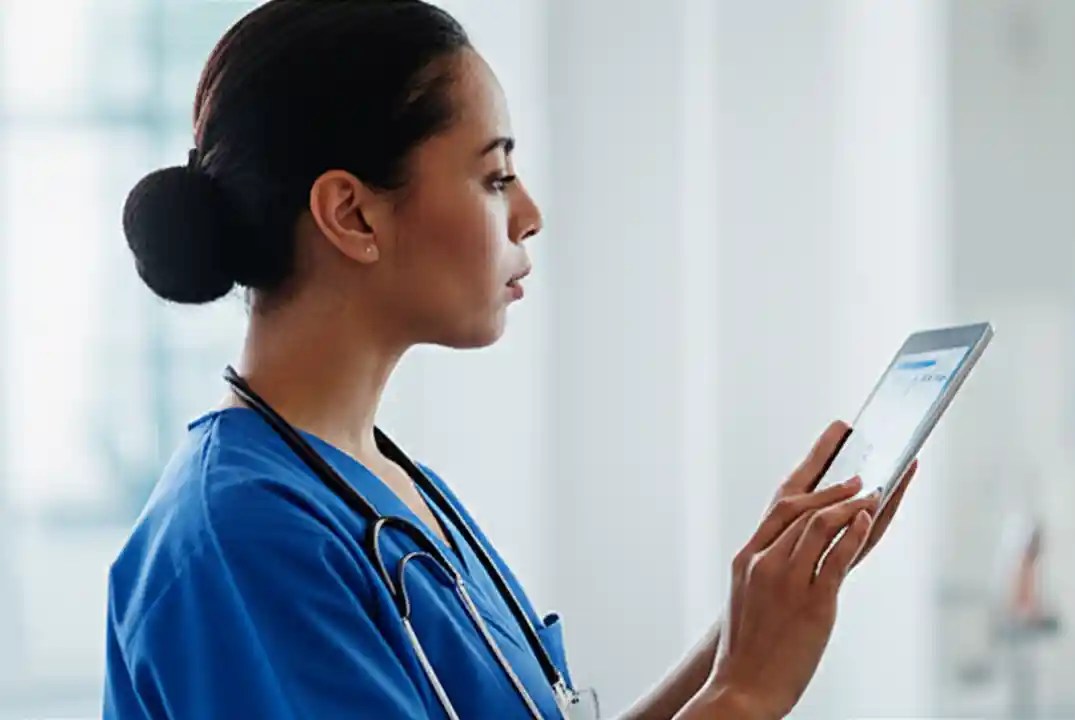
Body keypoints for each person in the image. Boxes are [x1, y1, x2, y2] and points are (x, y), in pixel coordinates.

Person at [104, 1, 917, 718]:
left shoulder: (385, 484)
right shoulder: (242, 543)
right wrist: (745, 696)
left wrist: (751, 623)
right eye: (495, 177)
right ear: (352, 214)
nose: (528, 214)